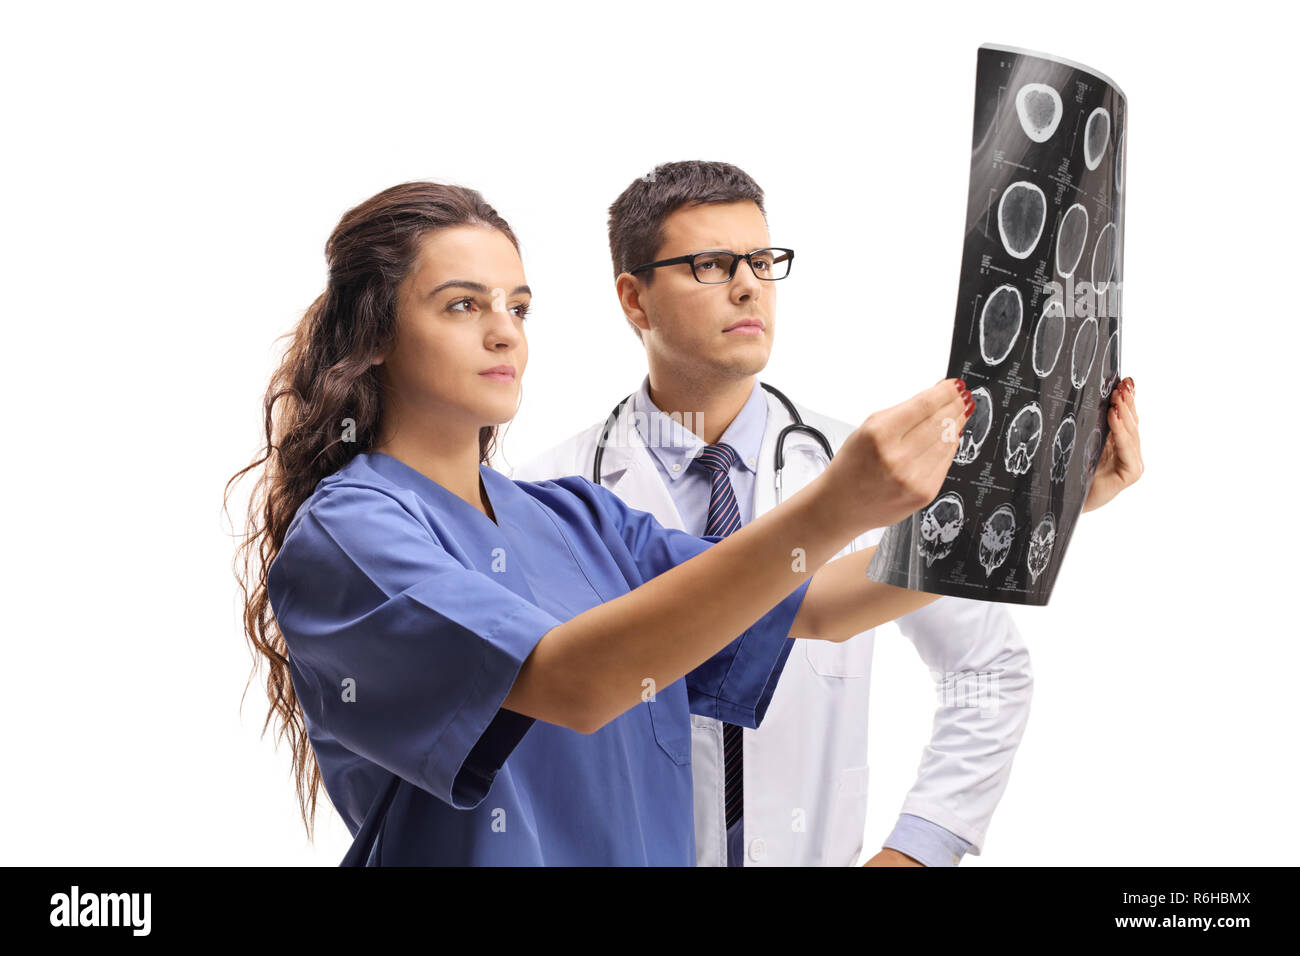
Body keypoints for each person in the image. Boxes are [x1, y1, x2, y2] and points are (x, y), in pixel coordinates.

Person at [227, 180, 988, 866]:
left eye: (517, 307)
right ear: (377, 334)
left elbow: (814, 603)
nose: (504, 333)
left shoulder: (574, 515)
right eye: (464, 305)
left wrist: (1013, 509)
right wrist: (836, 504)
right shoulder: (350, 537)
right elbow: (577, 683)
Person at [512, 161, 1144, 866]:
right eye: (712, 265)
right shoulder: (545, 492)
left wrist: (917, 851)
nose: (749, 284)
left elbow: (985, 668)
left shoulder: (869, 468)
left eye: (761, 260)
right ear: (635, 299)